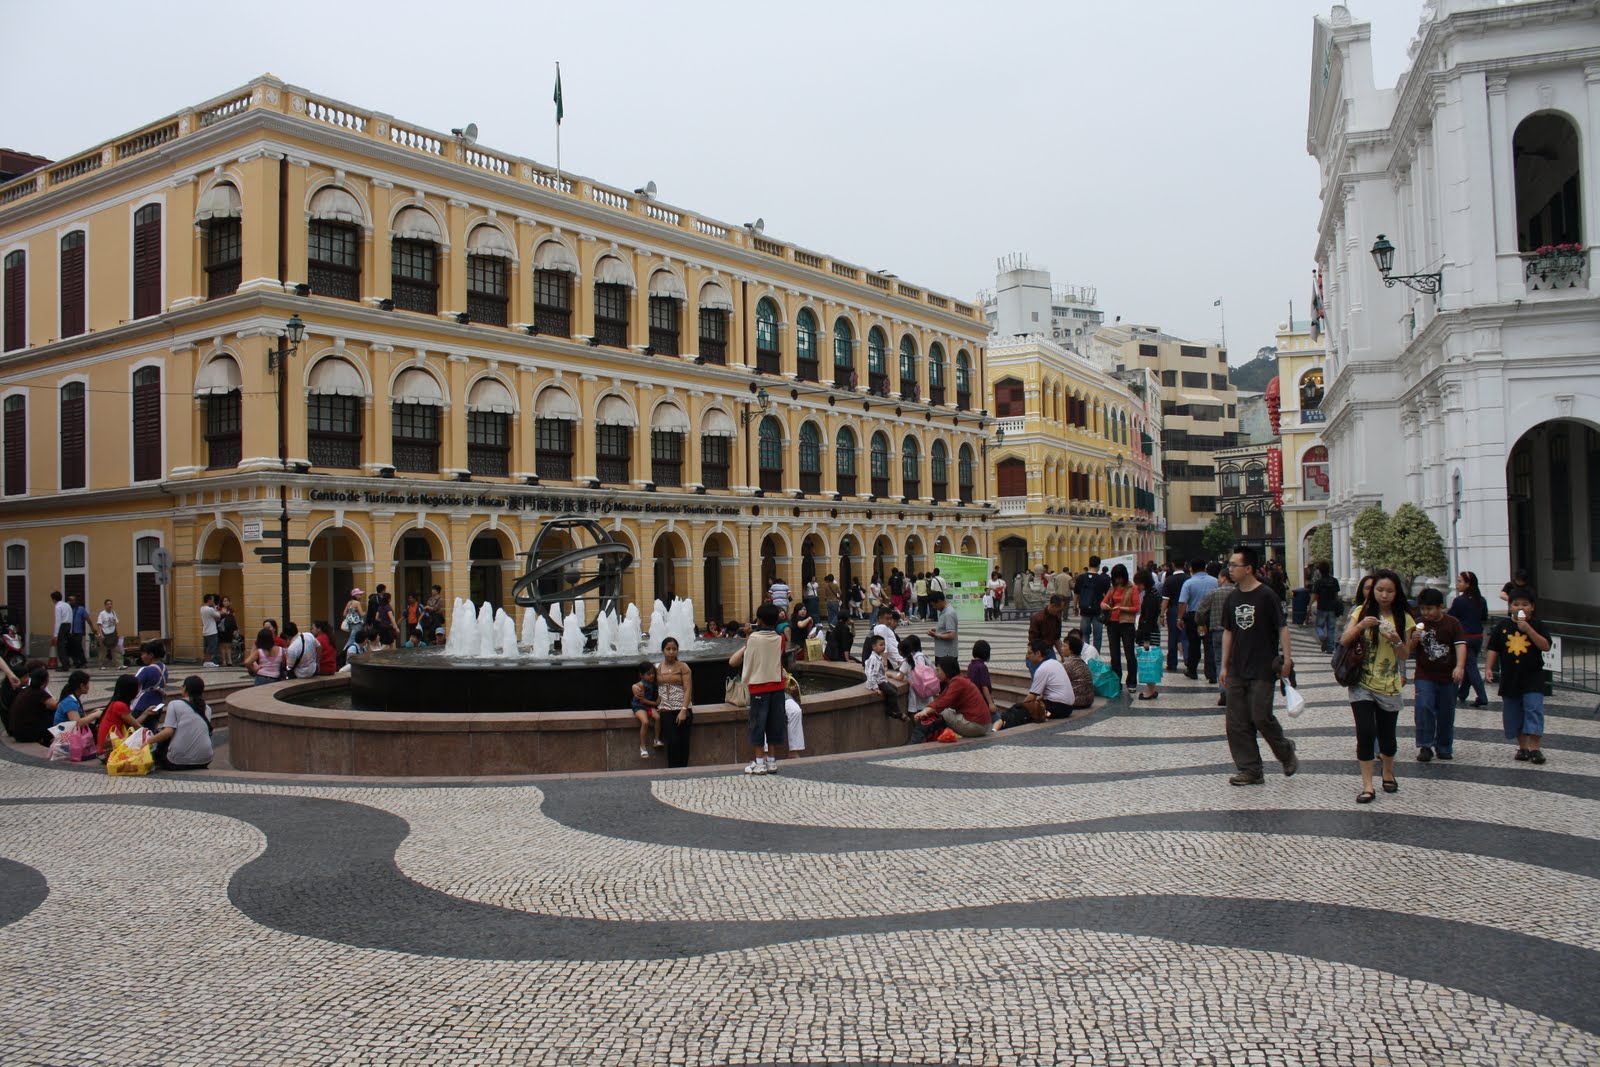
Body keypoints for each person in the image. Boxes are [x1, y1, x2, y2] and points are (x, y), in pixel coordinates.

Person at [1219, 546, 1298, 786]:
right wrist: (1224, 665)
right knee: (1236, 722)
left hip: (1263, 667)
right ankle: (1250, 769)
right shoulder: (1232, 597)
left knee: (1260, 716)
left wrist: (1287, 657)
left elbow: (1282, 627)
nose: (1230, 569)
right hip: (1237, 668)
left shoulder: (1266, 595)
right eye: (1230, 565)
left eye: (1234, 565)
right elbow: (1228, 632)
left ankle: (1285, 751)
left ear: (1249, 568)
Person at [1339, 568, 1412, 802]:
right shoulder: (1361, 612)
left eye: (1389, 591)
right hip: (1361, 682)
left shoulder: (1404, 617)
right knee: (1366, 732)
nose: (1384, 595)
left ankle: (1388, 771)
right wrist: (1360, 627)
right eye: (1379, 590)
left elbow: (1405, 654)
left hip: (1389, 684)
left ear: (1396, 592)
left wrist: (1396, 640)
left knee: (1387, 736)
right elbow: (1343, 641)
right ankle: (1367, 785)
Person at [1486, 587, 1553, 765]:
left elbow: (1545, 646)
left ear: (1532, 607)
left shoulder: (1538, 625)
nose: (1520, 607)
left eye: (1525, 604)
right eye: (1516, 604)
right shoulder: (1502, 627)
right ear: (1509, 607)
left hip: (1533, 676)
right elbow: (1493, 648)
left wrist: (1528, 629)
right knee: (1514, 713)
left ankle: (1535, 749)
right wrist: (1489, 668)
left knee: (1533, 710)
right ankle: (1522, 747)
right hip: (1510, 678)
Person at [1409, 587, 1466, 763]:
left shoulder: (1452, 623)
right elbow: (1408, 649)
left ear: (1440, 606)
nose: (1426, 613)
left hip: (1447, 676)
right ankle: (1425, 745)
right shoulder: (1418, 623)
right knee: (1424, 707)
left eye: (1430, 609)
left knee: (1446, 712)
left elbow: (1460, 645)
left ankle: (1444, 746)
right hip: (1425, 674)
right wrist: (1414, 639)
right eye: (1423, 609)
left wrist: (1460, 666)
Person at [729, 603, 786, 775]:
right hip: (777, 686)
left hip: (759, 688)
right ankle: (772, 761)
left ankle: (759, 762)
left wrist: (748, 635)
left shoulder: (753, 638)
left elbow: (747, 657)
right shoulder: (780, 638)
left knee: (758, 724)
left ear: (759, 620)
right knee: (774, 723)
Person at [994, 640, 1076, 730]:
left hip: (1058, 707)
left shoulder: (1042, 669)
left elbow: (1031, 697)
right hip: (1069, 707)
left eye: (1030, 653)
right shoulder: (1055, 663)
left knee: (1024, 710)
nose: (1027, 656)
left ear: (1038, 653)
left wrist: (1019, 707)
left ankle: (1002, 722)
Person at [909, 656, 992, 741]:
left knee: (944, 713)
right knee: (941, 712)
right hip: (983, 725)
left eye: (938, 670)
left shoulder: (957, 682)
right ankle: (930, 737)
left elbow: (943, 702)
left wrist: (925, 712)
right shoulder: (958, 681)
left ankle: (918, 739)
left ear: (946, 671)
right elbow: (941, 699)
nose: (936, 673)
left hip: (977, 726)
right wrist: (926, 710)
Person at [150, 674, 213, 771]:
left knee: (157, 752)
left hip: (176, 762)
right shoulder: (207, 708)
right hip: (205, 759)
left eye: (183, 686)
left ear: (185, 688)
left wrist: (146, 742)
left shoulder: (175, 704)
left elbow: (168, 732)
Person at [1449, 570, 1489, 708]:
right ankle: (1462, 693)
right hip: (1478, 637)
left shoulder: (1459, 601)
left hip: (1464, 638)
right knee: (1468, 665)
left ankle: (1482, 696)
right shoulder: (1481, 600)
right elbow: (1484, 618)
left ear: (1468, 584)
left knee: (1471, 667)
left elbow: (1452, 617)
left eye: (1460, 581)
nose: (1457, 584)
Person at [1100, 565, 1140, 692]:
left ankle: (1132, 681)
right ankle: (1117, 680)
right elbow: (1103, 602)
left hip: (1127, 623)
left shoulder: (1132, 588)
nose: (1118, 581)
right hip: (1112, 623)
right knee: (1114, 655)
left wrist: (1121, 608)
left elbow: (1136, 608)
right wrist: (1105, 605)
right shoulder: (1112, 589)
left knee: (1129, 654)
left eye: (1120, 578)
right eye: (1116, 578)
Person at [655, 636, 693, 769]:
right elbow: (647, 682)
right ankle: (673, 770)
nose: (671, 652)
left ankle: (683, 770)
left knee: (683, 742)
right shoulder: (657, 667)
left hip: (682, 709)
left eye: (674, 649)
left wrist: (683, 710)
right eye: (668, 649)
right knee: (672, 742)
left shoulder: (683, 667)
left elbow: (688, 689)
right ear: (662, 650)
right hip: (665, 710)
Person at [1177, 558, 1217, 678]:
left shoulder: (1189, 583)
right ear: (1205, 568)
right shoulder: (1215, 581)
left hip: (1194, 617)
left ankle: (1192, 670)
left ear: (1191, 569)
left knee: (1194, 644)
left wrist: (1179, 618)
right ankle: (1211, 673)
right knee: (1209, 644)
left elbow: (1183, 602)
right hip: (1210, 617)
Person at [1194, 564, 1230, 699]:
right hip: (1236, 632)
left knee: (1220, 661)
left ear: (1224, 578)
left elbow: (1200, 612)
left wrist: (1201, 623)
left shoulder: (1214, 593)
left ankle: (1224, 691)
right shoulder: (1239, 592)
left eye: (1219, 578)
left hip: (1217, 630)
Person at [1133, 569, 1163, 700]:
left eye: (1138, 584)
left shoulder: (1150, 597)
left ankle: (1151, 691)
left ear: (1143, 583)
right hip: (1152, 632)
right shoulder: (1153, 594)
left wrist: (1145, 639)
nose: (1137, 587)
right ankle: (1151, 689)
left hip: (1149, 634)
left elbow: (1148, 619)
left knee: (1148, 661)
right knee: (1149, 660)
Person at [6, 667, 56, 745]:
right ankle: (49, 739)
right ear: (46, 680)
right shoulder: (38, 692)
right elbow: (57, 706)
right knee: (54, 713)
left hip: (16, 732)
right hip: (27, 734)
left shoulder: (27, 690)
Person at [863, 633, 906, 720]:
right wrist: (875, 688)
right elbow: (871, 673)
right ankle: (895, 711)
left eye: (884, 645)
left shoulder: (879, 656)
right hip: (878, 682)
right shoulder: (874, 659)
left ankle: (888, 707)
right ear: (874, 647)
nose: (883, 647)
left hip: (881, 680)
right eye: (881, 645)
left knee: (894, 689)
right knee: (893, 692)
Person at [96, 674, 143, 754]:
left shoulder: (115, 703)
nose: (139, 690)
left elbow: (133, 722)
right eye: (138, 688)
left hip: (106, 748)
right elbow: (136, 725)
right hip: (109, 750)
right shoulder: (120, 706)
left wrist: (146, 713)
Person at [1159, 560, 1189, 670]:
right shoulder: (1188, 579)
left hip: (1172, 609)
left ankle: (1172, 662)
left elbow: (1165, 600)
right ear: (1184, 565)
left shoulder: (1169, 580)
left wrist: (1162, 614)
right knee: (1186, 636)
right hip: (1186, 609)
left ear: (1173, 565)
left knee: (1172, 637)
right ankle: (1188, 660)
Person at [131, 641, 168, 726]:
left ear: (151, 655)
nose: (141, 656)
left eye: (143, 654)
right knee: (151, 730)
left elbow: (133, 685)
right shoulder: (164, 668)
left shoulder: (147, 670)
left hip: (143, 705)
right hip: (158, 704)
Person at [1059, 632, 1097, 711]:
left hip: (1077, 702)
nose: (1061, 648)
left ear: (1071, 649)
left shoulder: (1068, 664)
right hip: (1089, 700)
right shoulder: (1081, 662)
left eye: (1064, 646)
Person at [1311, 565, 1344, 654]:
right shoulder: (1334, 581)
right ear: (1329, 570)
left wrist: (1309, 605)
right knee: (1331, 628)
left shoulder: (1318, 582)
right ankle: (1330, 648)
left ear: (1320, 571)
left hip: (1321, 607)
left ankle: (1322, 637)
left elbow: (1315, 595)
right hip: (1332, 608)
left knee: (1319, 626)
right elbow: (1336, 595)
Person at [631, 660, 660, 759]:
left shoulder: (652, 682)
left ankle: (656, 739)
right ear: (642, 675)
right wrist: (655, 703)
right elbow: (642, 700)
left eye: (653, 673)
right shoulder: (641, 685)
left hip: (648, 706)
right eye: (649, 674)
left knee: (657, 717)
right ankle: (642, 746)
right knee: (645, 722)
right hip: (639, 706)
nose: (652, 676)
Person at [900, 634, 932, 718]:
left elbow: (921, 670)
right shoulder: (914, 656)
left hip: (919, 687)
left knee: (919, 710)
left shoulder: (919, 656)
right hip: (919, 687)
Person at [928, 590, 959, 660]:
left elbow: (951, 635)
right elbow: (945, 628)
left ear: (939, 601)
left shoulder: (949, 613)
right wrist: (937, 630)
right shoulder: (943, 612)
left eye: (934, 605)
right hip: (942, 652)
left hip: (947, 655)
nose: (934, 607)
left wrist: (936, 635)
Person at [966, 640, 995, 713]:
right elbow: (984, 687)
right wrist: (990, 703)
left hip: (972, 699)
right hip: (981, 701)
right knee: (996, 717)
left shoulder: (971, 665)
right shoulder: (982, 667)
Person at [781, 675, 806, 757]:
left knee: (795, 711)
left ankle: (793, 751)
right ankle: (764, 754)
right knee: (763, 712)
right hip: (760, 691)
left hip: (780, 692)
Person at [96, 598, 121, 668]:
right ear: (105, 605)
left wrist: (117, 633)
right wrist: (101, 634)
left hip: (113, 633)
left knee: (116, 650)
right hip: (105, 633)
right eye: (108, 604)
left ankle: (119, 664)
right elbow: (99, 624)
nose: (109, 605)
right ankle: (101, 665)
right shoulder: (102, 614)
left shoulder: (113, 612)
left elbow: (115, 623)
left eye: (110, 604)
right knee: (103, 651)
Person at [50, 591, 71, 668]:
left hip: (62, 626)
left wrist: (55, 634)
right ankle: (67, 662)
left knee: (60, 646)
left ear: (54, 599)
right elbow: (71, 617)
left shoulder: (58, 607)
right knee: (65, 645)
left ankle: (64, 664)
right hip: (68, 625)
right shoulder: (67, 605)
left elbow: (58, 621)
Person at [200, 594, 222, 667]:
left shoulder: (202, 608)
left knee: (207, 647)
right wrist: (215, 607)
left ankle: (206, 661)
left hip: (205, 630)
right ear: (209, 600)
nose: (213, 601)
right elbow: (218, 615)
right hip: (212, 631)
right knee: (212, 647)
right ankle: (208, 661)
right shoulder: (210, 609)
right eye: (212, 600)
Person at [68, 595, 90, 667]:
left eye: (73, 600)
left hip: (78, 632)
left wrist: (92, 628)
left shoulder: (81, 609)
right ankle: (76, 662)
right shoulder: (67, 610)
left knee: (78, 647)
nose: (72, 602)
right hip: (69, 632)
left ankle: (83, 661)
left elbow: (87, 618)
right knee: (71, 647)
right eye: (70, 600)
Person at [217, 596, 238, 667]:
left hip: (229, 630)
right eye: (224, 601)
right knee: (222, 646)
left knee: (229, 645)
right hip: (222, 630)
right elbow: (217, 619)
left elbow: (234, 619)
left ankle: (229, 661)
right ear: (222, 602)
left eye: (227, 601)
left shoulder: (231, 610)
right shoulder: (219, 609)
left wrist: (236, 628)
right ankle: (224, 661)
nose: (226, 602)